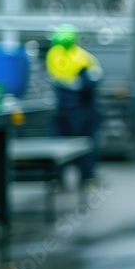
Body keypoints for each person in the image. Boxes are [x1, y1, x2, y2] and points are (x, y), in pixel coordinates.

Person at [46, 24, 102, 184]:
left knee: (61, 143)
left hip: (65, 107)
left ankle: (58, 178)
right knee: (84, 142)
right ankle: (85, 177)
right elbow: (95, 77)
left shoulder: (54, 54)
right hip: (80, 108)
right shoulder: (82, 56)